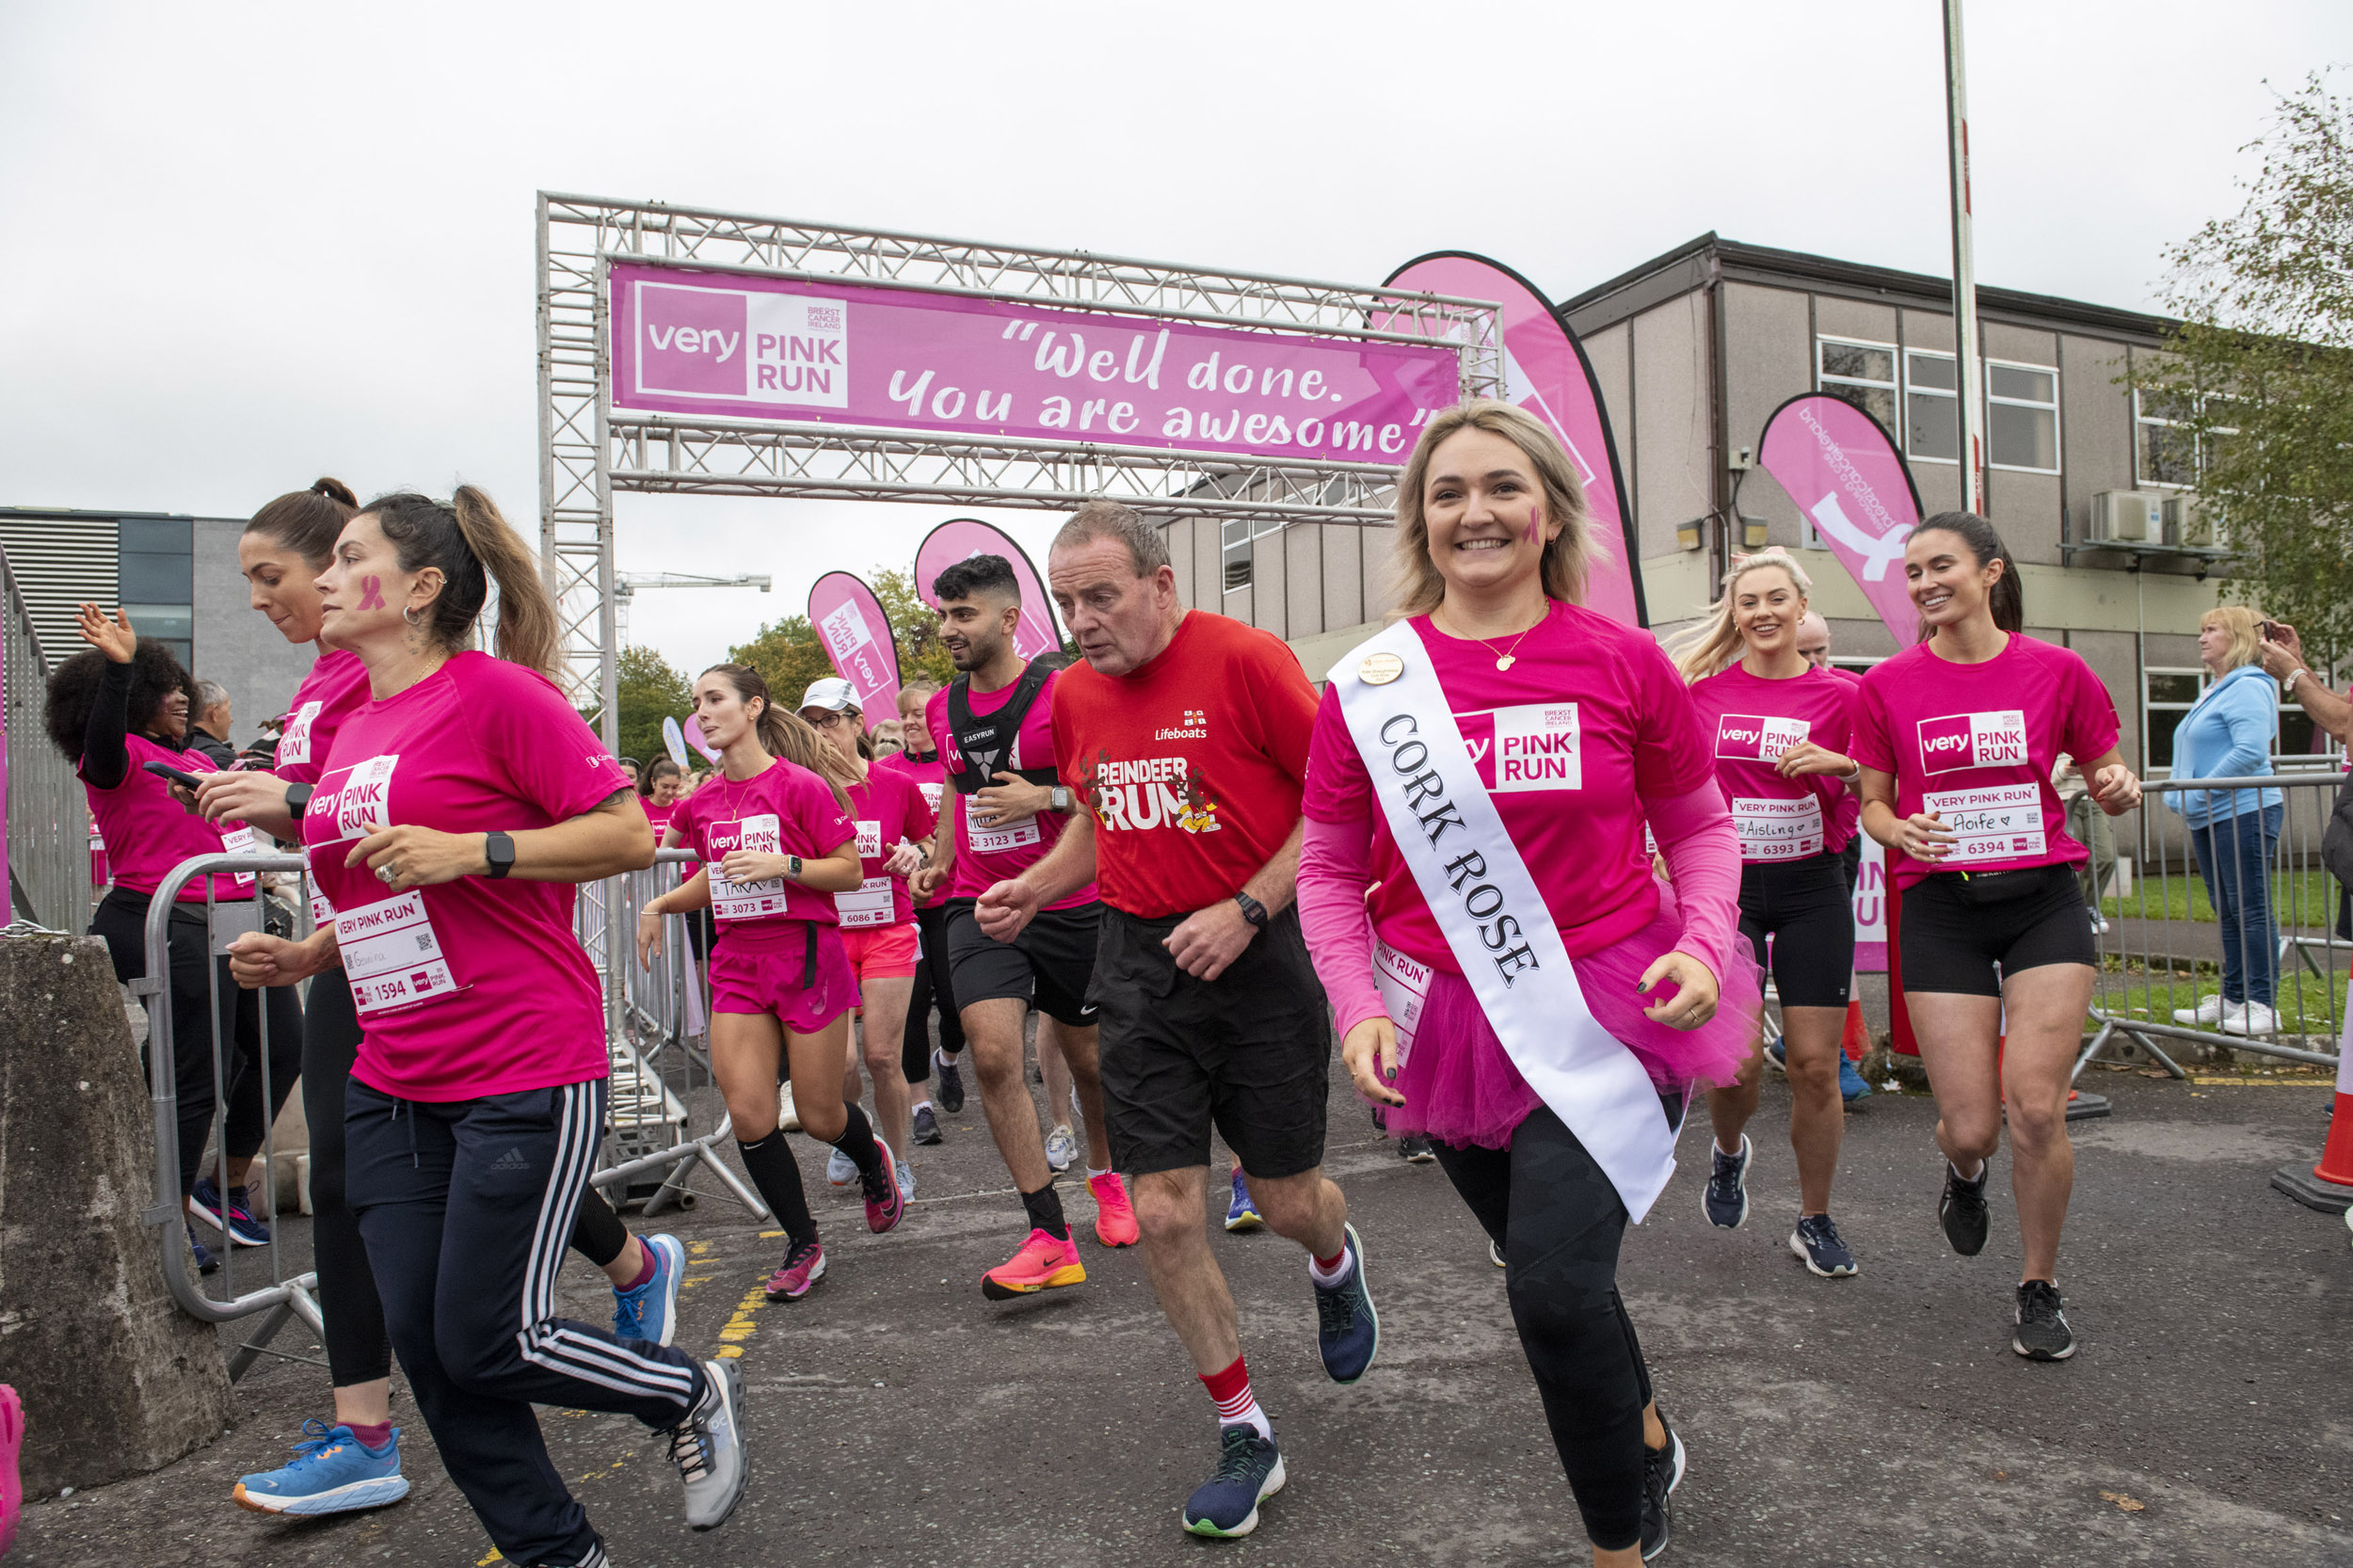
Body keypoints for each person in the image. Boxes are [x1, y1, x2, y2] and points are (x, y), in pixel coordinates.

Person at [222, 487, 745, 1563]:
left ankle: (684, 1390)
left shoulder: (499, 695)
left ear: (419, 588)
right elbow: (392, 890)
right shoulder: (358, 724)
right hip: (392, 1077)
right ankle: (562, 1552)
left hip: (521, 1062)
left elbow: (627, 834)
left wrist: (480, 850)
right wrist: (315, 951)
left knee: (488, 1337)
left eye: (349, 557)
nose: (327, 577)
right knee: (427, 1346)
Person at [1298, 400, 1755, 1565]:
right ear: (1420, 521)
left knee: (1550, 1289)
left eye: (1502, 486)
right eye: (1447, 492)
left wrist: (1704, 943)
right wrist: (1355, 1004)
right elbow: (1328, 868)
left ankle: (1615, 1545)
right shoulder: (1370, 686)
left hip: (1611, 1004)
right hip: (1443, 1023)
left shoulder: (1624, 661)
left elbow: (1699, 826)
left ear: (1548, 509)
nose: (1476, 512)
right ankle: (1642, 1434)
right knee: (1552, 1270)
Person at [977, 500, 1374, 1539]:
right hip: (1140, 968)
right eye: (1067, 602)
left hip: (1259, 957)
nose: (1082, 621)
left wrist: (1247, 909)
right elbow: (1100, 821)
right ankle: (1246, 1431)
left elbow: (1338, 806)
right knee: (1160, 1211)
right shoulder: (1071, 694)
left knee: (1284, 1202)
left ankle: (1335, 1258)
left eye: (1101, 597)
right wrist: (1036, 886)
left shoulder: (1247, 660)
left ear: (1162, 586)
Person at [1851, 511, 2140, 1364]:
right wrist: (1898, 830)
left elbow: (2104, 768)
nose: (1924, 583)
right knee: (1973, 1127)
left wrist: (2118, 784)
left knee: (2037, 1109)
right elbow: (1873, 804)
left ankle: (2038, 1285)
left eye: (1940, 565)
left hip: (2042, 899)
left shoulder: (2057, 669)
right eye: (1913, 572)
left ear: (1991, 572)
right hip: (1943, 907)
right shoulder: (1888, 684)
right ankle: (1964, 1172)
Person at [44, 609, 300, 1279]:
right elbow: (103, 736)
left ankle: (222, 1184)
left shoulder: (191, 757)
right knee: (195, 1074)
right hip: (165, 918)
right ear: (132, 699)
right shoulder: (115, 757)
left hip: (233, 918)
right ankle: (170, 1217)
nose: (180, 697)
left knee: (282, 1048)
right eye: (163, 690)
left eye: (179, 686)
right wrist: (120, 668)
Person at [636, 663, 904, 1301]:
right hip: (737, 963)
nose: (702, 712)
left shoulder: (801, 786)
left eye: (715, 699)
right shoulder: (702, 801)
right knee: (750, 1115)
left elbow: (848, 871)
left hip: (805, 955)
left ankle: (873, 1159)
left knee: (818, 1114)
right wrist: (660, 905)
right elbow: (717, 875)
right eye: (697, 702)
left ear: (754, 706)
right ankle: (803, 1244)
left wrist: (783, 864)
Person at [909, 554, 1137, 1297]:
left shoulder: (1067, 691)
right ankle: (1047, 1233)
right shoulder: (943, 707)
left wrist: (1042, 800)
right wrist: (942, 860)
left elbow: (1110, 787)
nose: (949, 629)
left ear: (1008, 619)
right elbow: (955, 782)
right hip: (981, 904)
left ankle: (1105, 1173)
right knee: (995, 1057)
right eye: (943, 616)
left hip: (1068, 903)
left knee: (1090, 1063)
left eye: (963, 614)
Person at [1671, 551, 1865, 1278]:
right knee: (1736, 1066)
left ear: (1801, 605)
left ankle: (1815, 1218)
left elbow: (1886, 783)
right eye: (1748, 601)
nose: (1763, 613)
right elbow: (1670, 787)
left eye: (1776, 599)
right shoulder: (1703, 697)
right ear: (1735, 613)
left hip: (1814, 887)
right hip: (1730, 892)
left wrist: (1843, 767)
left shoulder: (1846, 697)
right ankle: (1728, 1153)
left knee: (1815, 1067)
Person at [799, 677, 933, 1195]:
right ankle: (853, 1135)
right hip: (829, 933)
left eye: (830, 720)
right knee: (842, 1063)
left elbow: (928, 840)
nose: (820, 732)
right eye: (811, 723)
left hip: (888, 928)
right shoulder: (803, 789)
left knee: (881, 1057)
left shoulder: (895, 784)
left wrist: (915, 853)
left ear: (858, 723)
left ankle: (898, 1162)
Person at [2167, 607, 2286, 1036]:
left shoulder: (2249, 686)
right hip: (2211, 812)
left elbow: (2250, 751)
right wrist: (2185, 794)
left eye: (2211, 630)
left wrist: (2197, 790)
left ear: (2236, 637)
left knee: (2250, 908)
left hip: (2244, 808)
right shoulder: (2216, 689)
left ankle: (2263, 1004)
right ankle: (2235, 997)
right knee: (2229, 909)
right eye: (2202, 630)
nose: (2202, 638)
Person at [1789, 610, 1874, 1104]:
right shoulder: (1740, 688)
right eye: (1803, 651)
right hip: (1756, 851)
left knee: (1829, 951)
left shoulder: (1850, 691)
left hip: (1833, 845)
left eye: (1819, 650)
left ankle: (1832, 1053)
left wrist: (1846, 771)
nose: (1813, 660)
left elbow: (1878, 770)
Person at [882, 677, 964, 1143]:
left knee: (956, 1006)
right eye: (905, 714)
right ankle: (920, 1106)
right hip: (905, 904)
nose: (911, 722)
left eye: (919, 713)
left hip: (954, 900)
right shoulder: (887, 771)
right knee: (912, 1011)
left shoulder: (960, 766)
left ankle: (948, 1059)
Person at [189, 679, 237, 767]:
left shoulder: (173, 749)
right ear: (214, 713)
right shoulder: (223, 758)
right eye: (228, 710)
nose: (231, 720)